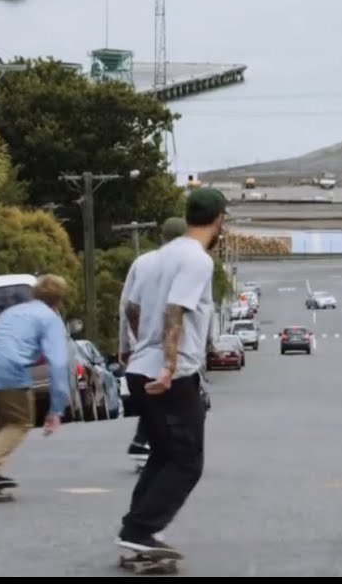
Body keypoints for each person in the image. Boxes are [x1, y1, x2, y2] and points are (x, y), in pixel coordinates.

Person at [117, 188, 226, 556]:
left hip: (139, 368)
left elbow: (131, 307)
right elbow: (175, 310)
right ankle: (141, 529)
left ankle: (136, 526)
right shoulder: (198, 260)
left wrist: (137, 347)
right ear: (219, 220)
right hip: (172, 376)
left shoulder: (154, 258)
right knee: (187, 461)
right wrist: (168, 365)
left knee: (163, 455)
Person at [0, 274, 72, 487]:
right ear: (59, 301)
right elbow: (57, 363)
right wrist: (56, 410)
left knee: (5, 413)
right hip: (6, 368)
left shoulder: (14, 310)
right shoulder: (50, 318)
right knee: (21, 420)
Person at [119, 216, 190, 463]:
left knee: (155, 396)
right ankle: (150, 444)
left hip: (145, 345)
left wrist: (126, 344)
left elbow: (126, 306)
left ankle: (143, 442)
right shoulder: (191, 264)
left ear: (162, 237)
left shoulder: (143, 262)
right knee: (176, 399)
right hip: (177, 345)